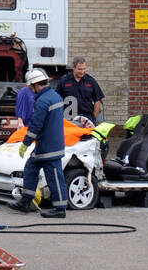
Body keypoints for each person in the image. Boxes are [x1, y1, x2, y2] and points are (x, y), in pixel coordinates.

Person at [14, 68, 67, 218]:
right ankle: (26, 201)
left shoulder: (42, 101)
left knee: (54, 176)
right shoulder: (55, 96)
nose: (31, 89)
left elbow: (36, 125)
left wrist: (25, 143)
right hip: (49, 144)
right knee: (31, 168)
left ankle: (60, 208)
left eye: (31, 86)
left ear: (35, 85)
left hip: (48, 147)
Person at [57, 57, 104, 124]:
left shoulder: (91, 81)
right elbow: (57, 100)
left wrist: (93, 118)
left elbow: (97, 100)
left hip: (87, 119)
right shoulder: (64, 81)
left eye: (84, 69)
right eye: (80, 69)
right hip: (69, 119)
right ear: (73, 67)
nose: (82, 72)